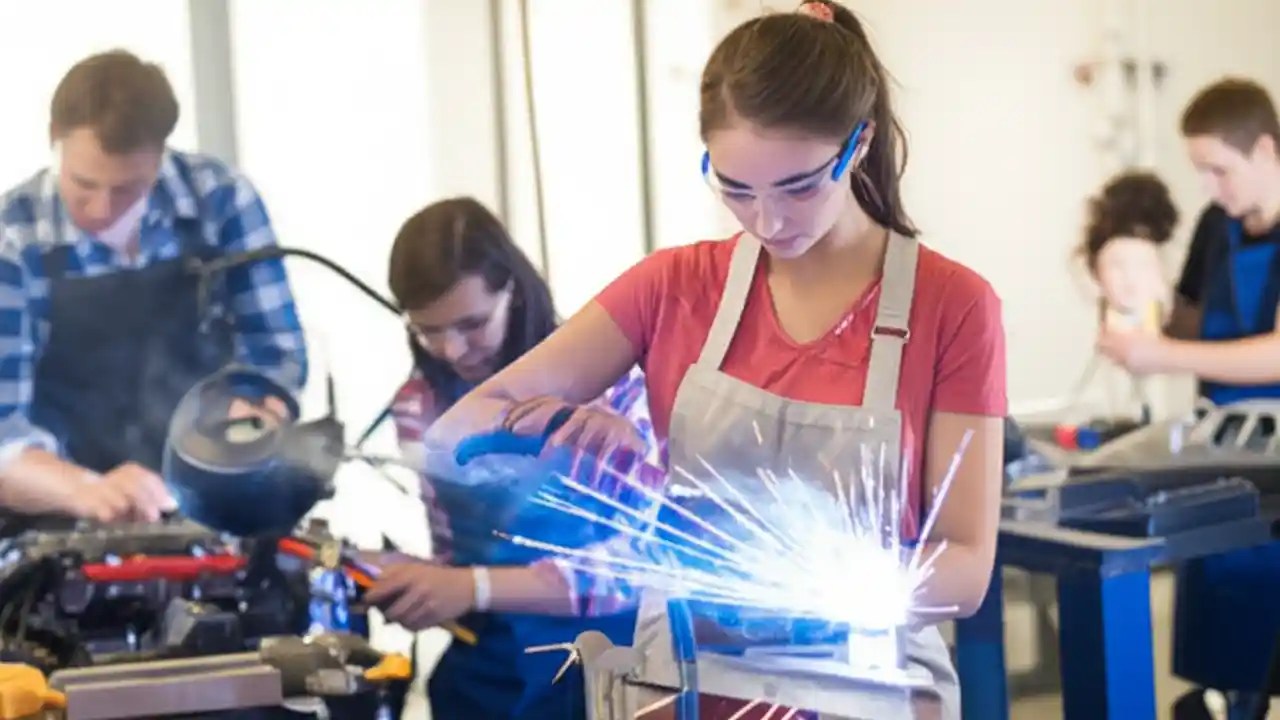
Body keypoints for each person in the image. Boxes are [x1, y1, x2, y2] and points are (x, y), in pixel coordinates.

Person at [428, 2, 1007, 718]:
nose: (767, 222)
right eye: (735, 189)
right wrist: (572, 436)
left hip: (870, 687)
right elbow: (454, 433)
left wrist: (800, 595)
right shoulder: (672, 287)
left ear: (861, 144)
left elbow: (965, 568)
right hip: (683, 681)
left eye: (798, 187)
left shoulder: (953, 305)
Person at [364, 197, 658, 720]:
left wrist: (470, 586)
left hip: (601, 665)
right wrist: (415, 581)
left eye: (472, 324)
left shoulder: (605, 390)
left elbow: (640, 565)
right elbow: (457, 555)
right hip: (487, 670)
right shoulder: (419, 404)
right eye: (428, 330)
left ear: (513, 291)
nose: (453, 350)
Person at [0, 50, 307, 525]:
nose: (102, 208)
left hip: (210, 495)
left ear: (161, 155)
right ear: (53, 139)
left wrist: (257, 414)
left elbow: (275, 355)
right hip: (61, 517)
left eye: (127, 188)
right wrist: (85, 490)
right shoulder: (14, 241)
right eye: (83, 184)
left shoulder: (219, 200)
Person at [1098, 78, 1280, 718]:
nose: (1208, 187)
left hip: (1276, 465)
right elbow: (1195, 322)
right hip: (1219, 453)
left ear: (1264, 150)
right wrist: (1134, 291)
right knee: (1220, 645)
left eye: (1218, 170)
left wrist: (1162, 356)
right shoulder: (1215, 224)